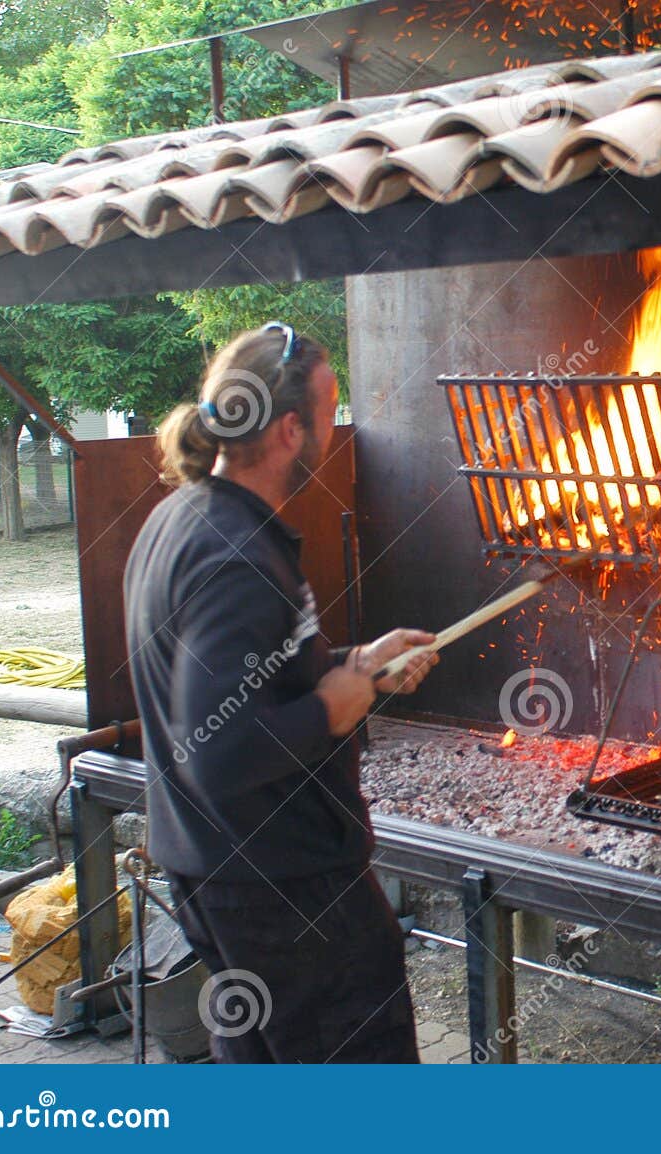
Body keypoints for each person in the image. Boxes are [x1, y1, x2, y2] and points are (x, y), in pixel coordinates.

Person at [125, 323, 439, 1062]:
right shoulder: (236, 557)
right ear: (291, 429)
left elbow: (254, 672)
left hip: (223, 872)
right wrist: (336, 705)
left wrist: (359, 661)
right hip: (287, 891)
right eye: (330, 410)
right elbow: (221, 750)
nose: (334, 428)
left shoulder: (185, 518)